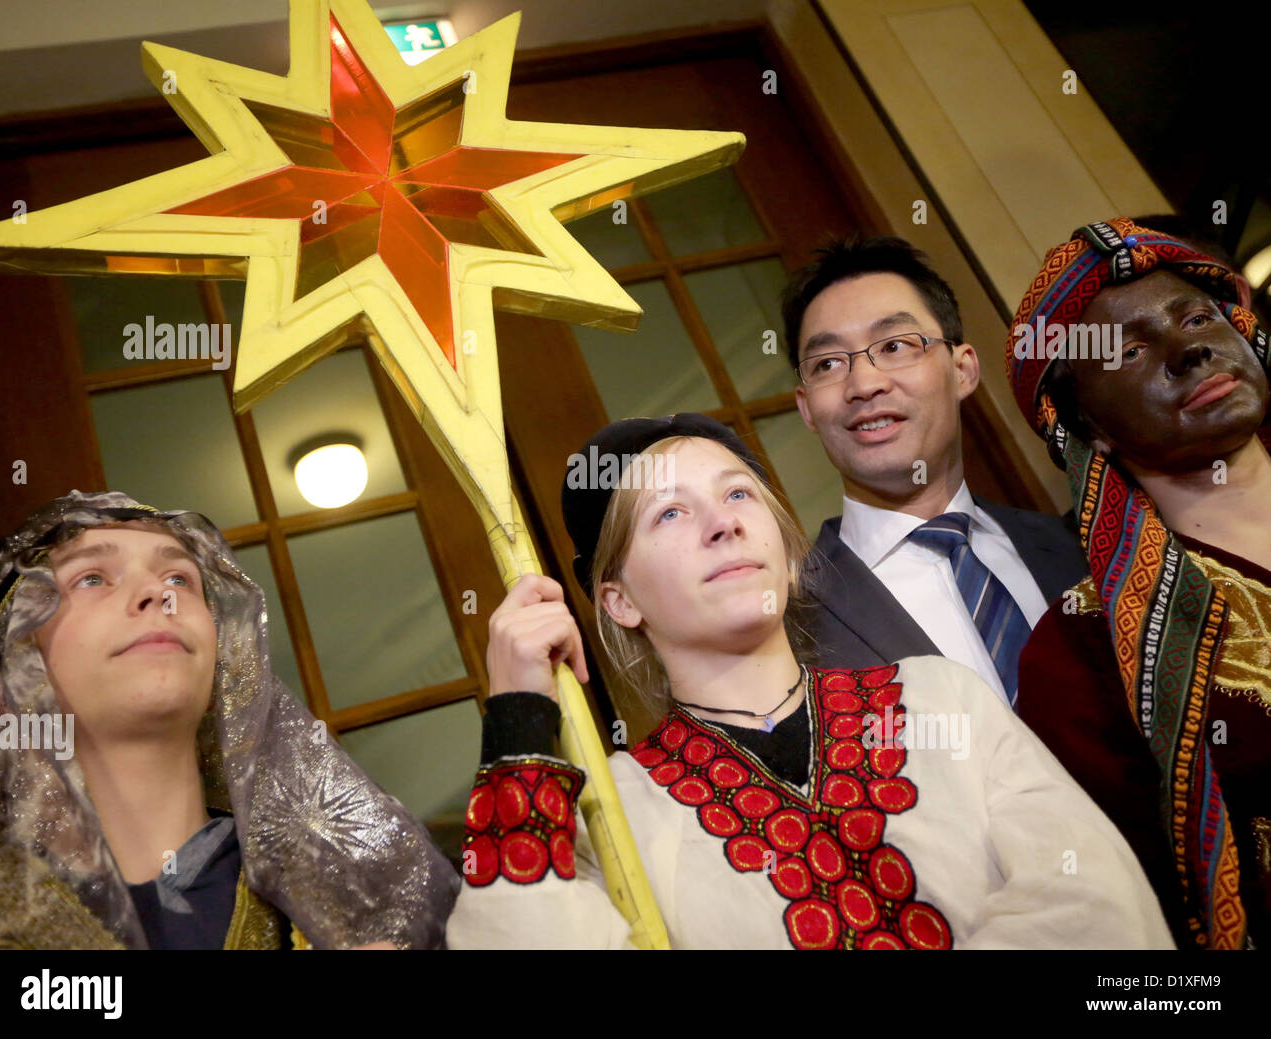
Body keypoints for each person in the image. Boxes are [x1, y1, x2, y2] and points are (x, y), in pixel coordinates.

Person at [444, 413, 1172, 949]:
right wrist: (516, 725)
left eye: (738, 495)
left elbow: (1100, 908)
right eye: (670, 512)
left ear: (787, 556)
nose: (722, 525)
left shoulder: (939, 698)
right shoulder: (616, 809)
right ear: (621, 601)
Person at [0, 490, 458, 949]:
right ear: (2, 674)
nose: (157, 593)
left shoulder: (348, 891)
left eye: (180, 578)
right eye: (92, 577)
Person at [1007, 217, 1271, 950]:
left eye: (1197, 317)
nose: (1189, 348)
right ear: (1091, 427)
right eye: (1130, 350)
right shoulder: (1079, 654)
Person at [781, 236, 1086, 704]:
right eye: (827, 363)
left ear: (962, 370)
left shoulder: (1084, 549)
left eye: (896, 345)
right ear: (806, 409)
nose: (864, 383)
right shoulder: (790, 627)